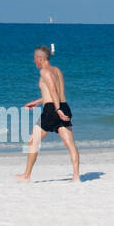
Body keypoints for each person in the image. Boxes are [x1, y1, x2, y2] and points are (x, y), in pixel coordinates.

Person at [16, 46, 80, 183]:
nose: (34, 61)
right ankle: (76, 176)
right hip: (64, 106)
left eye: (35, 59)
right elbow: (54, 92)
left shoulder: (44, 71)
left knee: (33, 141)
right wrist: (38, 101)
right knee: (70, 144)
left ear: (40, 59)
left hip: (53, 110)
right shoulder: (57, 70)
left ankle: (26, 175)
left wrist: (57, 110)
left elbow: (53, 91)